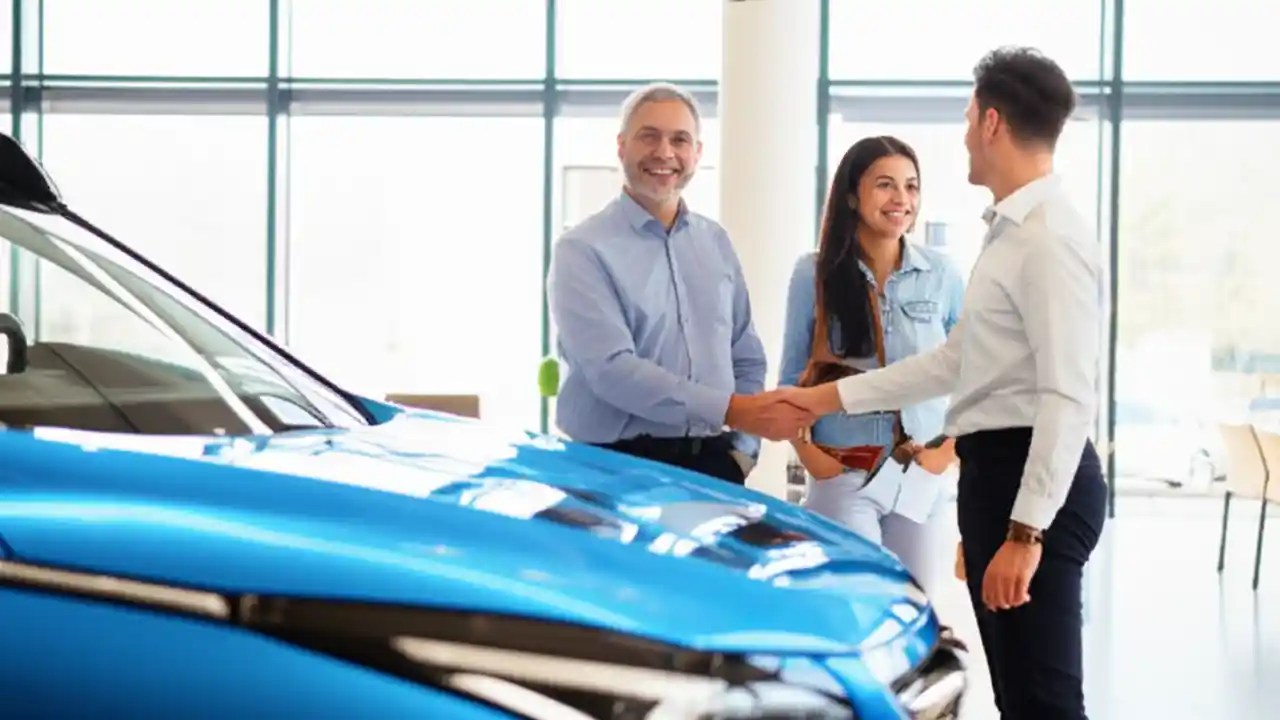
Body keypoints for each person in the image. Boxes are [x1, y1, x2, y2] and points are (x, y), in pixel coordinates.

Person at [778, 47, 1106, 720]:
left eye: (965, 118)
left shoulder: (1046, 239)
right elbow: (955, 362)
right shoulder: (1010, 234)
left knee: (1044, 700)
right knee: (1018, 695)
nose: (962, 134)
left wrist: (1024, 531)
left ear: (990, 123)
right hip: (996, 474)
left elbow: (1069, 396)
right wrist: (824, 398)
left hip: (1027, 479)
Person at [546, 82, 813, 485]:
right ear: (621, 146)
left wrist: (742, 450)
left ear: (697, 154)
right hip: (612, 468)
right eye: (648, 136)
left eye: (680, 140)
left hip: (714, 465)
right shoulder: (582, 250)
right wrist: (730, 410)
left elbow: (745, 353)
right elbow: (613, 371)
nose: (664, 153)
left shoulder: (715, 242)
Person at [778, 135, 964, 595]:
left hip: (919, 475)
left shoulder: (942, 275)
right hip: (842, 473)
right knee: (854, 602)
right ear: (850, 196)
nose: (901, 199)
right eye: (885, 185)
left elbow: (977, 375)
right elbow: (790, 378)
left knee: (912, 605)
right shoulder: (814, 273)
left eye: (911, 186)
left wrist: (948, 452)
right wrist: (809, 457)